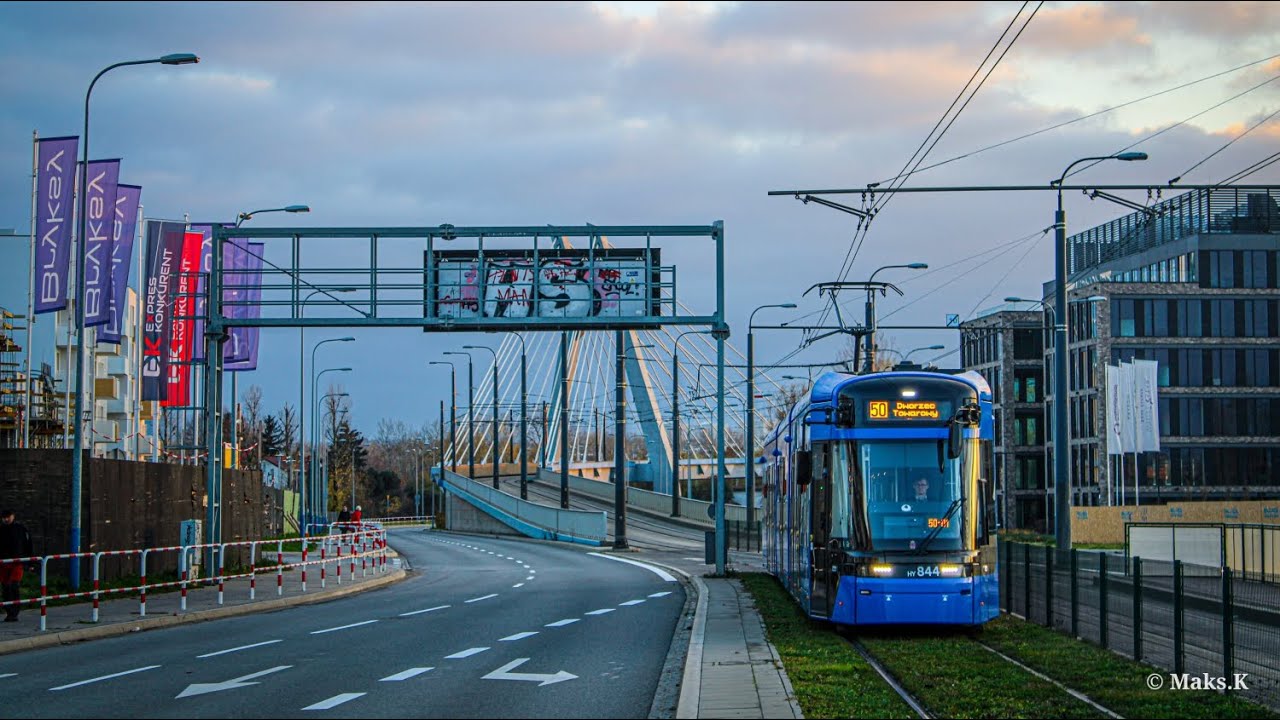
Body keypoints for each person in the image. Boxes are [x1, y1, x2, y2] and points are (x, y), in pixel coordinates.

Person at [0, 509, 34, 622]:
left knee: (13, 585)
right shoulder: (2, 529)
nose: (6, 519)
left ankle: (14, 612)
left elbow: (28, 545)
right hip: (3, 563)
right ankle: (9, 611)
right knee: (5, 587)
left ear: (13, 516)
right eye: (4, 517)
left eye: (8, 517)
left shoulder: (21, 529)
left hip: (17, 561)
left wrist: (30, 562)